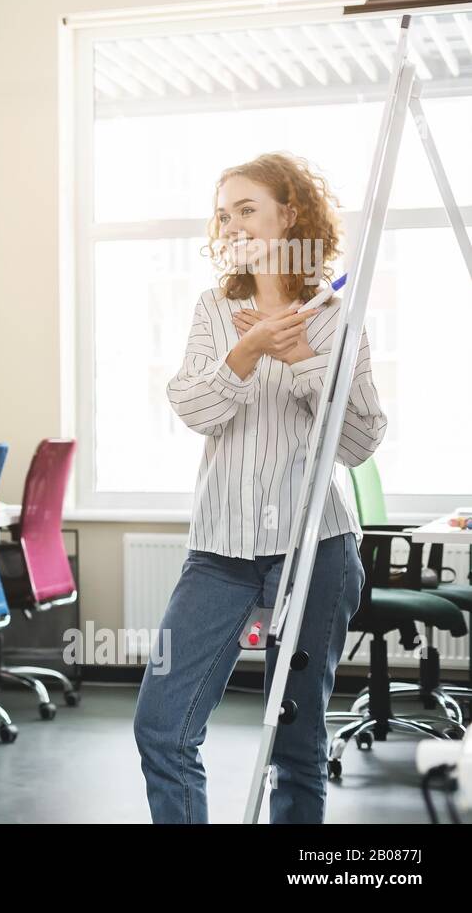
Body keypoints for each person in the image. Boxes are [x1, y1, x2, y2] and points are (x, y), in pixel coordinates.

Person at [133, 152, 388, 824]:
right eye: (223, 214)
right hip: (219, 550)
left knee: (296, 746)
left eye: (247, 208)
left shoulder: (338, 317)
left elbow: (360, 444)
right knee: (162, 726)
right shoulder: (214, 311)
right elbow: (194, 410)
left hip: (317, 550)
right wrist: (245, 355)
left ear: (290, 215)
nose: (232, 223)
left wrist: (300, 358)